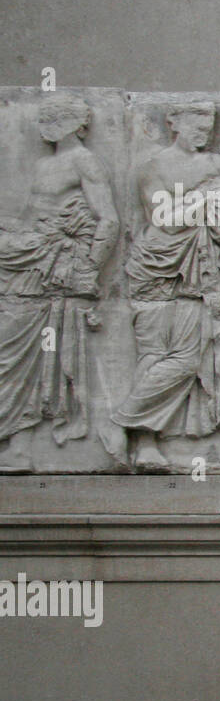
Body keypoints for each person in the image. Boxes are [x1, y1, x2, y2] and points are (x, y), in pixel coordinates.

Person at [112, 102, 220, 468]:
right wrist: (207, 196)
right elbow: (165, 219)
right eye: (196, 120)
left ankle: (123, 420)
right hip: (155, 266)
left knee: (187, 359)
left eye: (209, 121)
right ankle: (144, 443)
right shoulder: (153, 166)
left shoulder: (217, 164)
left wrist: (213, 208)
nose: (205, 127)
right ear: (173, 122)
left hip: (199, 269)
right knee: (153, 353)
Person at [0, 94, 119, 470]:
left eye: (55, 116)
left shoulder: (84, 161)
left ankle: (20, 446)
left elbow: (109, 220)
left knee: (36, 354)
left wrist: (88, 270)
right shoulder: (42, 164)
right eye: (45, 115)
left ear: (75, 123)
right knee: (12, 347)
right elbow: (31, 214)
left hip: (55, 270)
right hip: (27, 261)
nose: (44, 121)